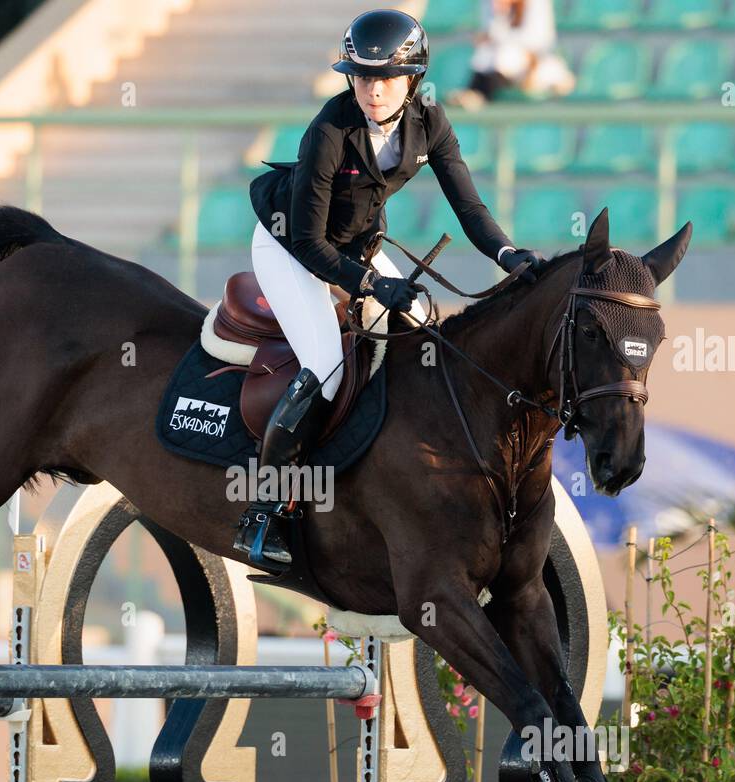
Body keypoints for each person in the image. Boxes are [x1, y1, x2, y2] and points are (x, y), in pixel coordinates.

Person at [235, 8, 543, 569]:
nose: (373, 90)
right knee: (327, 365)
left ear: (413, 80)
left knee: (422, 332)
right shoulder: (330, 128)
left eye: (386, 79)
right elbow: (307, 243)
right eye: (361, 76)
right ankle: (263, 511)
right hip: (289, 248)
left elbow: (469, 207)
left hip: (357, 246)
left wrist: (508, 255)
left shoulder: (431, 121)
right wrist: (373, 284)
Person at [447, 0, 574, 108]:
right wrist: (501, 15)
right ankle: (475, 93)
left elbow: (540, 40)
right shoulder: (489, 4)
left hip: (532, 61)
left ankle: (478, 95)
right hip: (506, 67)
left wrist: (499, 36)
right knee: (487, 55)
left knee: (506, 56)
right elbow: (488, 35)